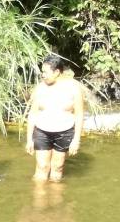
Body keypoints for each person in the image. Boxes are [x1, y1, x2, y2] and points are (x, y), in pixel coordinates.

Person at [26, 54, 85, 183]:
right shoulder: (40, 88)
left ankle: (55, 201)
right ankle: (38, 200)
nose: (42, 75)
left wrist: (76, 140)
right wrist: (29, 139)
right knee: (42, 167)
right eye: (42, 72)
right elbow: (33, 114)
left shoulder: (73, 89)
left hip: (64, 132)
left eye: (45, 72)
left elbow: (79, 114)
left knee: (57, 168)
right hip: (42, 131)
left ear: (57, 72)